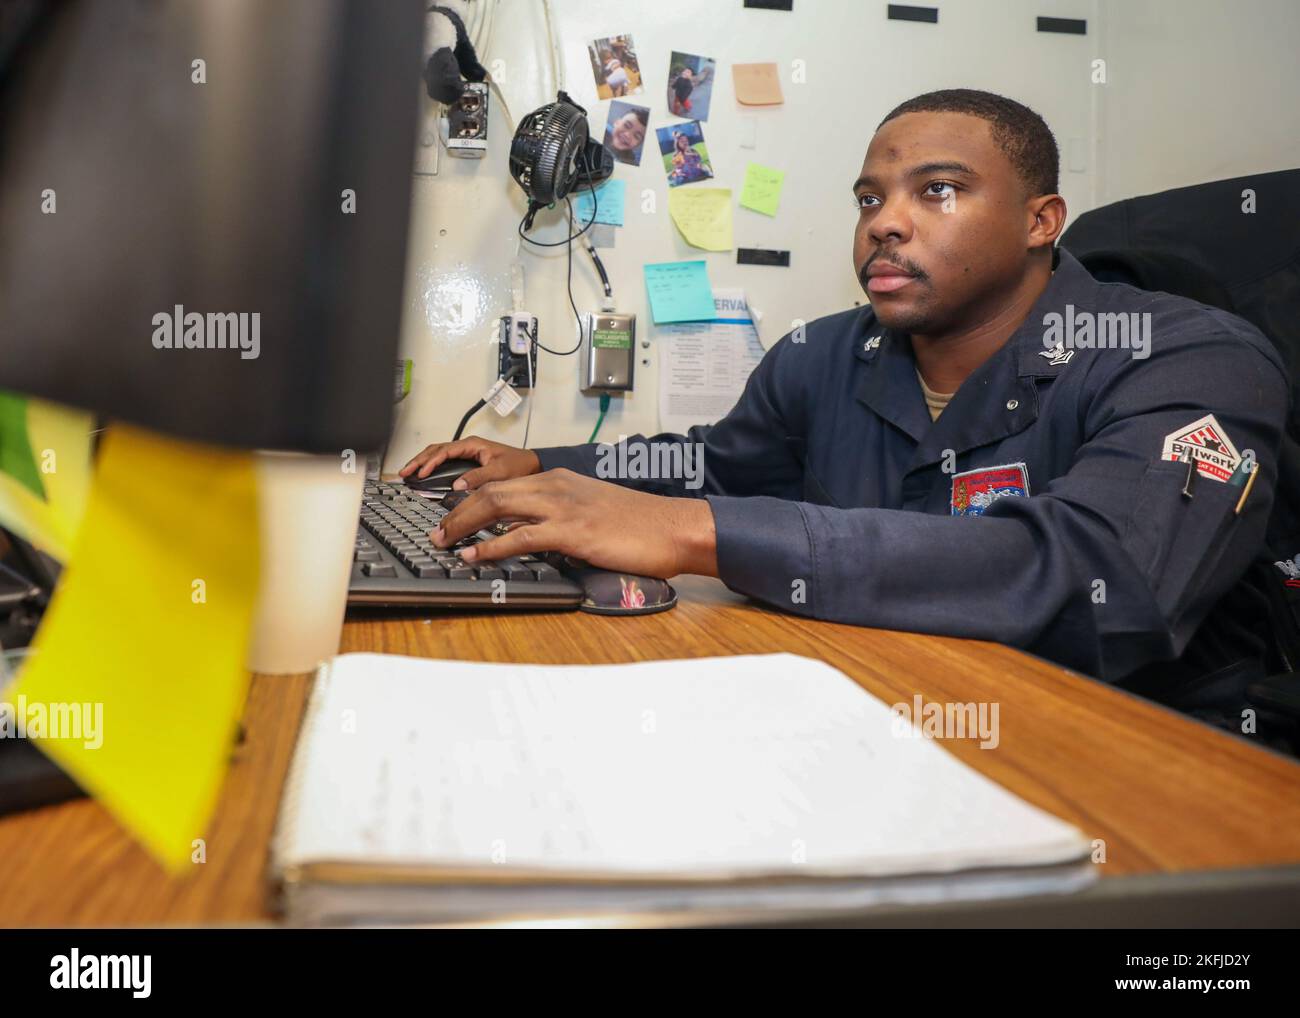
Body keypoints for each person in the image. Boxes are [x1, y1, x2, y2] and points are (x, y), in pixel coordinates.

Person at [401, 89, 1289, 726]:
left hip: (1124, 751)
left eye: (936, 191)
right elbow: (715, 463)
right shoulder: (827, 352)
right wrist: (549, 468)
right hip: (879, 710)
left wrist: (698, 533)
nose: (885, 223)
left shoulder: (1189, 357)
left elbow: (1112, 583)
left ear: (1041, 219)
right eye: (871, 198)